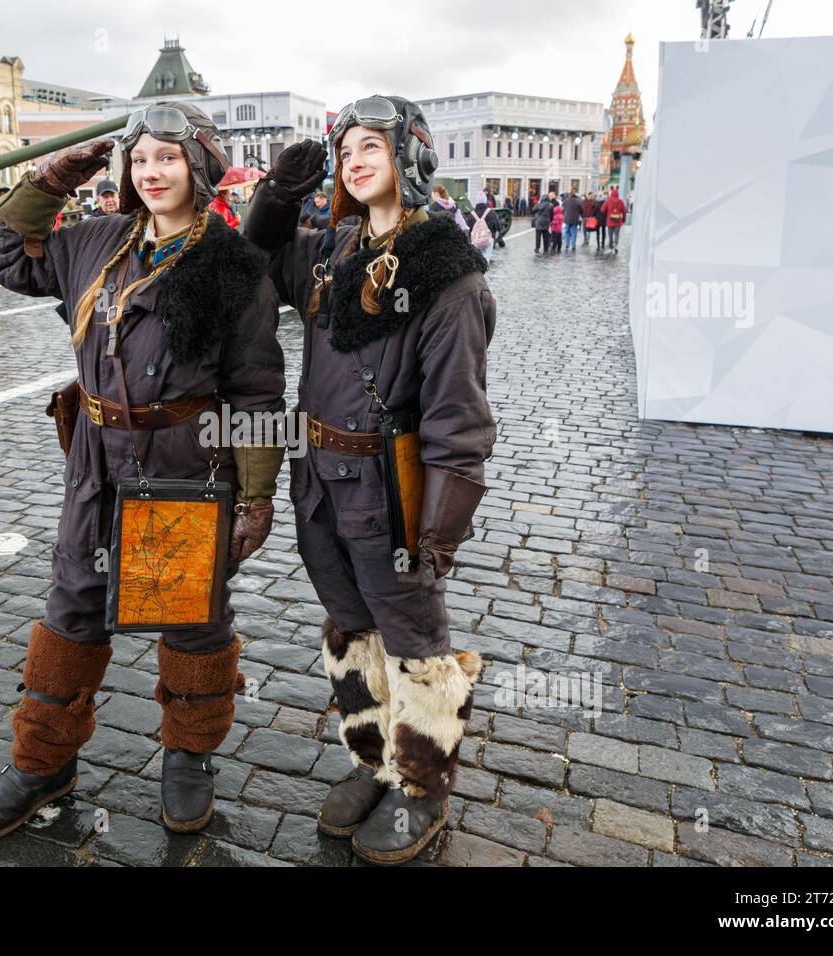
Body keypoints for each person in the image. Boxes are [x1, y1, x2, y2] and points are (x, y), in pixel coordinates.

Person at [0, 101, 287, 841]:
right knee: (72, 608)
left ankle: (188, 757)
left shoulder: (233, 267)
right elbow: (12, 259)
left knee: (192, 618)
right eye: (140, 161)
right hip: (95, 461)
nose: (152, 173)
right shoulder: (97, 241)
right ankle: (42, 760)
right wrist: (46, 180)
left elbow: (258, 392)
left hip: (183, 464)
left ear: (199, 168)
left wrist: (257, 498)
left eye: (167, 159)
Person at [245, 94, 494, 865]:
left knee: (416, 642)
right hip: (318, 479)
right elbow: (259, 260)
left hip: (387, 490)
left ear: (411, 160)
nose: (355, 161)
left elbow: (459, 422)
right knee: (351, 628)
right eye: (345, 149)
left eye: (372, 148)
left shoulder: (451, 279)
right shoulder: (332, 251)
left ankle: (421, 785)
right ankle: (374, 762)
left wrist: (438, 536)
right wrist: (278, 195)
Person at [469, 191, 501, 265]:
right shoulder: (492, 213)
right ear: (485, 201)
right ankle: (484, 273)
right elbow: (497, 227)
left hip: (475, 241)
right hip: (488, 240)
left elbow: (468, 229)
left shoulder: (471, 215)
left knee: (476, 261)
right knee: (486, 260)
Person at [602, 186, 627, 252]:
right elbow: (624, 211)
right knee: (616, 234)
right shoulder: (620, 201)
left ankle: (610, 245)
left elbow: (602, 210)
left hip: (610, 220)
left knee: (610, 234)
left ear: (611, 194)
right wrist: (624, 220)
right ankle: (615, 245)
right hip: (618, 221)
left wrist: (607, 213)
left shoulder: (608, 201)